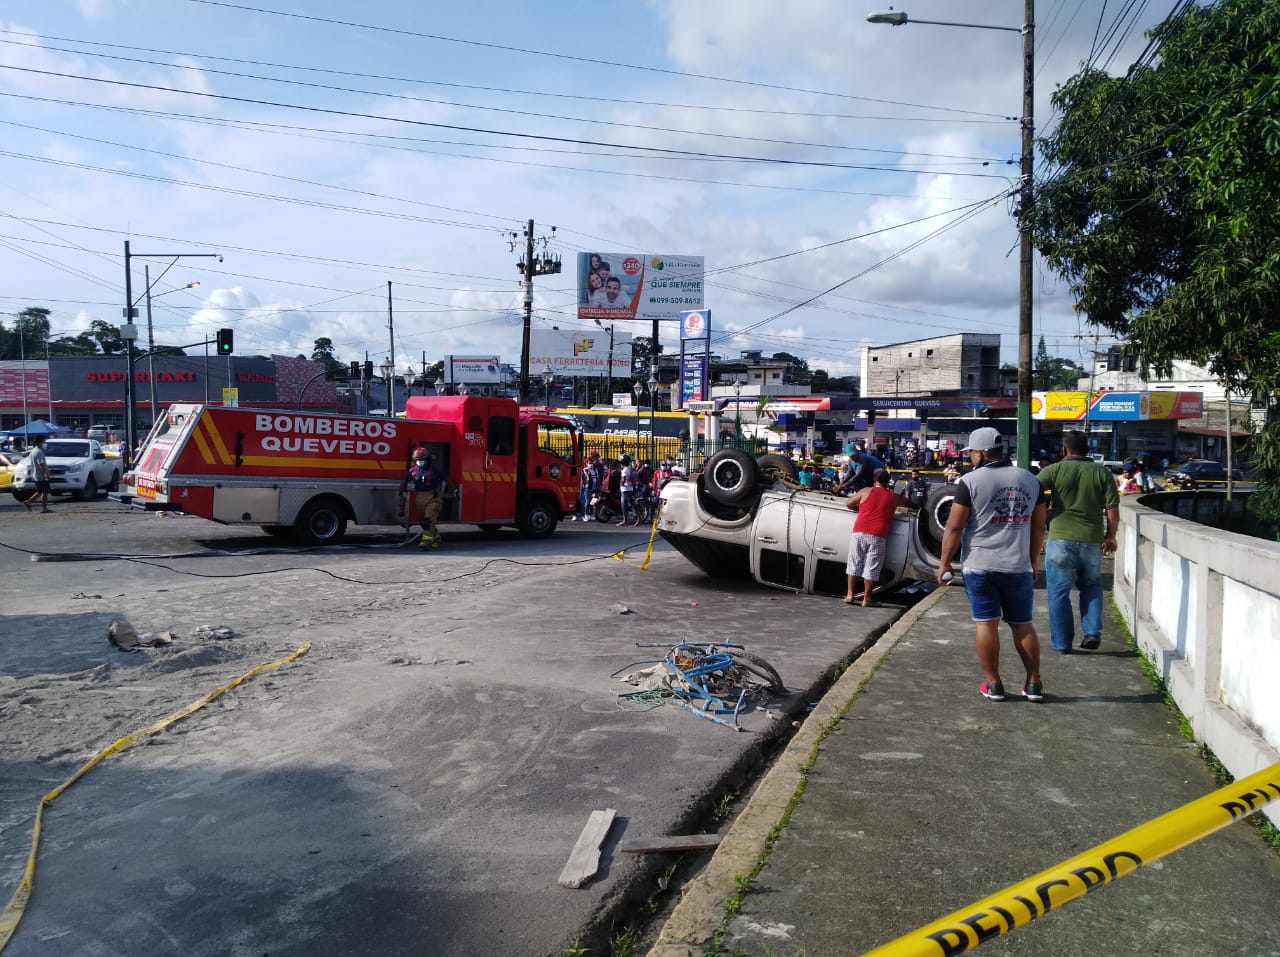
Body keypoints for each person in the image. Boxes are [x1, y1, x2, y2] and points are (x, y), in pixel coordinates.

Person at [937, 427, 1048, 702]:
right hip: (1017, 566)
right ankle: (1033, 683)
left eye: (972, 452)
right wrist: (1033, 562)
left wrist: (945, 564)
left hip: (980, 564)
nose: (971, 457)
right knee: (1023, 625)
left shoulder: (970, 481)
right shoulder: (1031, 480)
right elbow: (1038, 528)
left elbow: (954, 527)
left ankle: (994, 684)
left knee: (986, 624)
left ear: (982, 453)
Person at [1036, 430, 1120, 653]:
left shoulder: (1053, 471)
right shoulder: (1102, 473)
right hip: (1092, 539)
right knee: (1092, 586)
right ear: (1087, 449)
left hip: (1060, 540)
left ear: (1064, 450)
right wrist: (1111, 535)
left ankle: (1062, 643)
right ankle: (1092, 632)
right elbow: (1112, 509)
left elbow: (1033, 492)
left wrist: (1048, 510)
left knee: (1058, 592)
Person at [845, 469, 915, 606]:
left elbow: (848, 504)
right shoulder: (894, 497)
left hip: (859, 531)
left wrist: (858, 508)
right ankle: (866, 599)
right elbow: (909, 504)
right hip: (878, 535)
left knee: (854, 562)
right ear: (888, 482)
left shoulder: (865, 491)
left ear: (874, 480)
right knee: (872, 567)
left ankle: (849, 595)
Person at [399, 446, 447, 549]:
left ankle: (426, 540)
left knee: (428, 519)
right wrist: (401, 491)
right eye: (417, 460)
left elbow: (446, 479)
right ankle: (436, 537)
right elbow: (405, 482)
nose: (419, 462)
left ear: (427, 459)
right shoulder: (413, 471)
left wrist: (455, 491)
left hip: (433, 497)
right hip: (419, 497)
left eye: (421, 460)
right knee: (423, 521)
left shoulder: (435, 470)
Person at [23, 434, 52, 513]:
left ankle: (29, 502)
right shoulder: (39, 452)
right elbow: (41, 464)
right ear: (39, 442)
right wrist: (46, 474)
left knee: (40, 491)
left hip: (36, 475)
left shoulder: (34, 451)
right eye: (44, 441)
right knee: (45, 492)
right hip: (40, 475)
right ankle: (43, 508)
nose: (45, 443)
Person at [617, 453, 637, 525]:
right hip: (630, 488)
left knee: (624, 505)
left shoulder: (624, 470)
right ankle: (639, 518)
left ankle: (625, 520)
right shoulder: (630, 468)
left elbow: (623, 480)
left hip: (625, 489)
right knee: (632, 504)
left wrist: (620, 484)